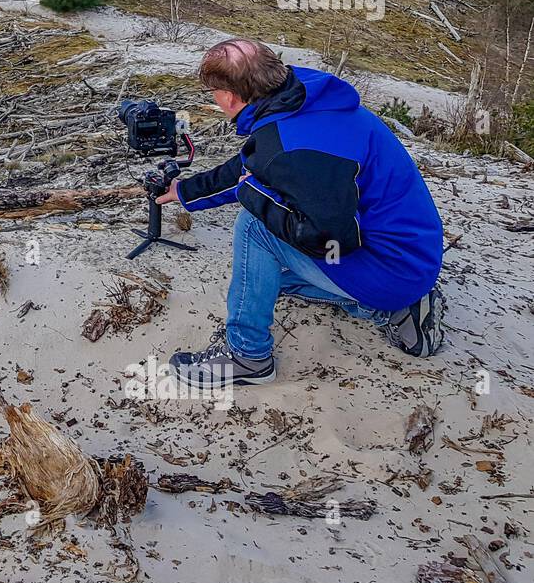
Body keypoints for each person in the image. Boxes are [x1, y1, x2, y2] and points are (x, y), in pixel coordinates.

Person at [156, 37, 445, 388]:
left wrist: (252, 195)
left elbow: (333, 239)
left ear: (228, 96)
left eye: (214, 93)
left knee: (253, 226)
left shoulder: (293, 147)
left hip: (392, 269)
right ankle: (395, 308)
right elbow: (257, 162)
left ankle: (248, 356)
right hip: (416, 254)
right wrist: (185, 192)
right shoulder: (307, 99)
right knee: (277, 279)